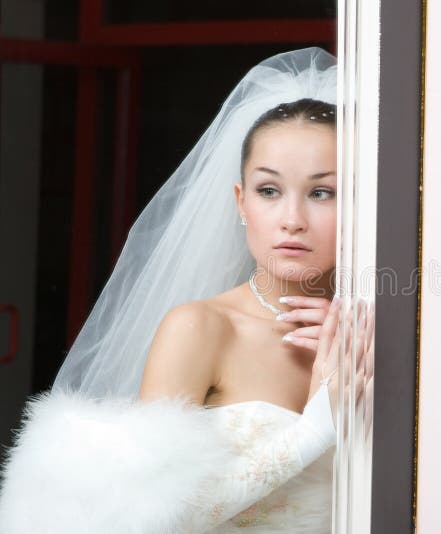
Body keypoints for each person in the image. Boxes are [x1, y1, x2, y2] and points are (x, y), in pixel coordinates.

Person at [0, 47, 365, 534]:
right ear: (241, 202)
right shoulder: (201, 328)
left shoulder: (372, 336)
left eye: (322, 193)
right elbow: (149, 516)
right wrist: (315, 429)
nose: (292, 220)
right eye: (269, 191)